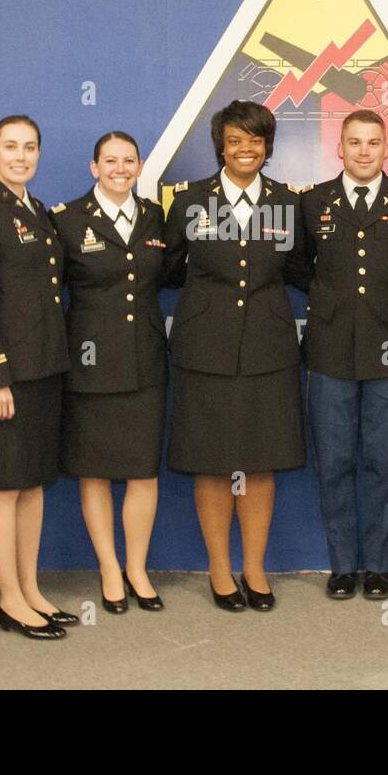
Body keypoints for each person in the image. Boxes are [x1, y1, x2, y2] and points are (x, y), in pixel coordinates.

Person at [162, 100, 304, 612]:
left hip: (269, 349)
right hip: (205, 350)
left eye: (256, 140)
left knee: (260, 464)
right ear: (221, 145)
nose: (246, 149)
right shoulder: (189, 202)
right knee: (212, 464)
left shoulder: (288, 203)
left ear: (268, 146)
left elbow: (304, 270)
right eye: (236, 140)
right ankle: (220, 572)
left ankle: (255, 569)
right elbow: (169, 270)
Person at [287, 111, 388, 600]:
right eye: (354, 142)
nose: (364, 151)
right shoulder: (313, 202)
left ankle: (378, 565)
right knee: (336, 461)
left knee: (385, 463)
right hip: (328, 350)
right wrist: (334, 297)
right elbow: (298, 266)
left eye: (373, 142)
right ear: (339, 149)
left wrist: (377, 299)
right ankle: (344, 566)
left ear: (387, 149)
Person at [0, 115, 73, 640]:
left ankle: (31, 590)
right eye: (11, 147)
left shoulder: (39, 213)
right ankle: (8, 599)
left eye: (30, 147)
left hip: (45, 370)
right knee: (4, 488)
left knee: (33, 486)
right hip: (7, 377)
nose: (21, 156)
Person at [51, 131, 168, 613]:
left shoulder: (155, 216)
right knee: (94, 471)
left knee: (142, 471)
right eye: (110, 160)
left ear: (139, 167)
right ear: (93, 167)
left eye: (129, 160)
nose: (120, 168)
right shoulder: (66, 220)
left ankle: (137, 568)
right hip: (91, 363)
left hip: (145, 361)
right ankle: (107, 568)